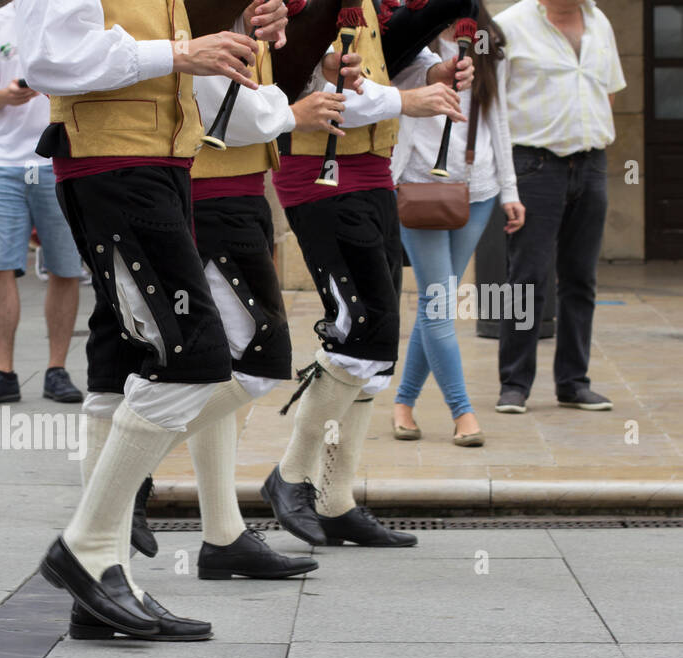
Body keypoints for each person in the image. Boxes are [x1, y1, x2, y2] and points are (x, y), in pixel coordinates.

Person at [21, 0, 294, 642]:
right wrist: (177, 53)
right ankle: (89, 546)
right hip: (114, 166)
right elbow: (47, 61)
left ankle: (104, 577)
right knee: (193, 357)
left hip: (160, 164)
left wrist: (226, 38)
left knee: (121, 366)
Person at [259, 0, 471, 549]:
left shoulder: (370, 7)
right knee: (359, 327)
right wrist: (409, 98)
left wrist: (435, 73)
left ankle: (334, 500)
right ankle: (289, 477)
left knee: (376, 342)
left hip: (374, 169)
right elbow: (324, 94)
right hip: (319, 174)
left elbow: (388, 62)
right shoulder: (303, 9)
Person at [176, 18, 355, 585]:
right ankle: (125, 473)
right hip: (204, 192)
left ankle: (222, 534)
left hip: (237, 189)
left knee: (223, 368)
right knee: (257, 359)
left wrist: (309, 73)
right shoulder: (202, 12)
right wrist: (293, 114)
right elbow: (227, 107)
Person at [391, 6, 523, 446]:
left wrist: (509, 190)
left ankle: (403, 403)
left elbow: (497, 117)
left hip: (479, 189)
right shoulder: (409, 38)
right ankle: (462, 412)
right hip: (419, 186)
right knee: (439, 303)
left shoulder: (488, 41)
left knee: (437, 304)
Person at [492, 0, 625, 415]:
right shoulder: (507, 26)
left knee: (581, 279)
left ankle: (573, 382)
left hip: (590, 163)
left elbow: (608, 93)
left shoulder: (599, 21)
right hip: (534, 164)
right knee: (526, 279)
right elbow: (491, 104)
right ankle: (514, 384)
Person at [0, 0, 83, 407]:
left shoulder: (76, 11)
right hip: (5, 162)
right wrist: (5, 96)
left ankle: (57, 369)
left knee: (65, 267)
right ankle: (2, 372)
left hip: (62, 160)